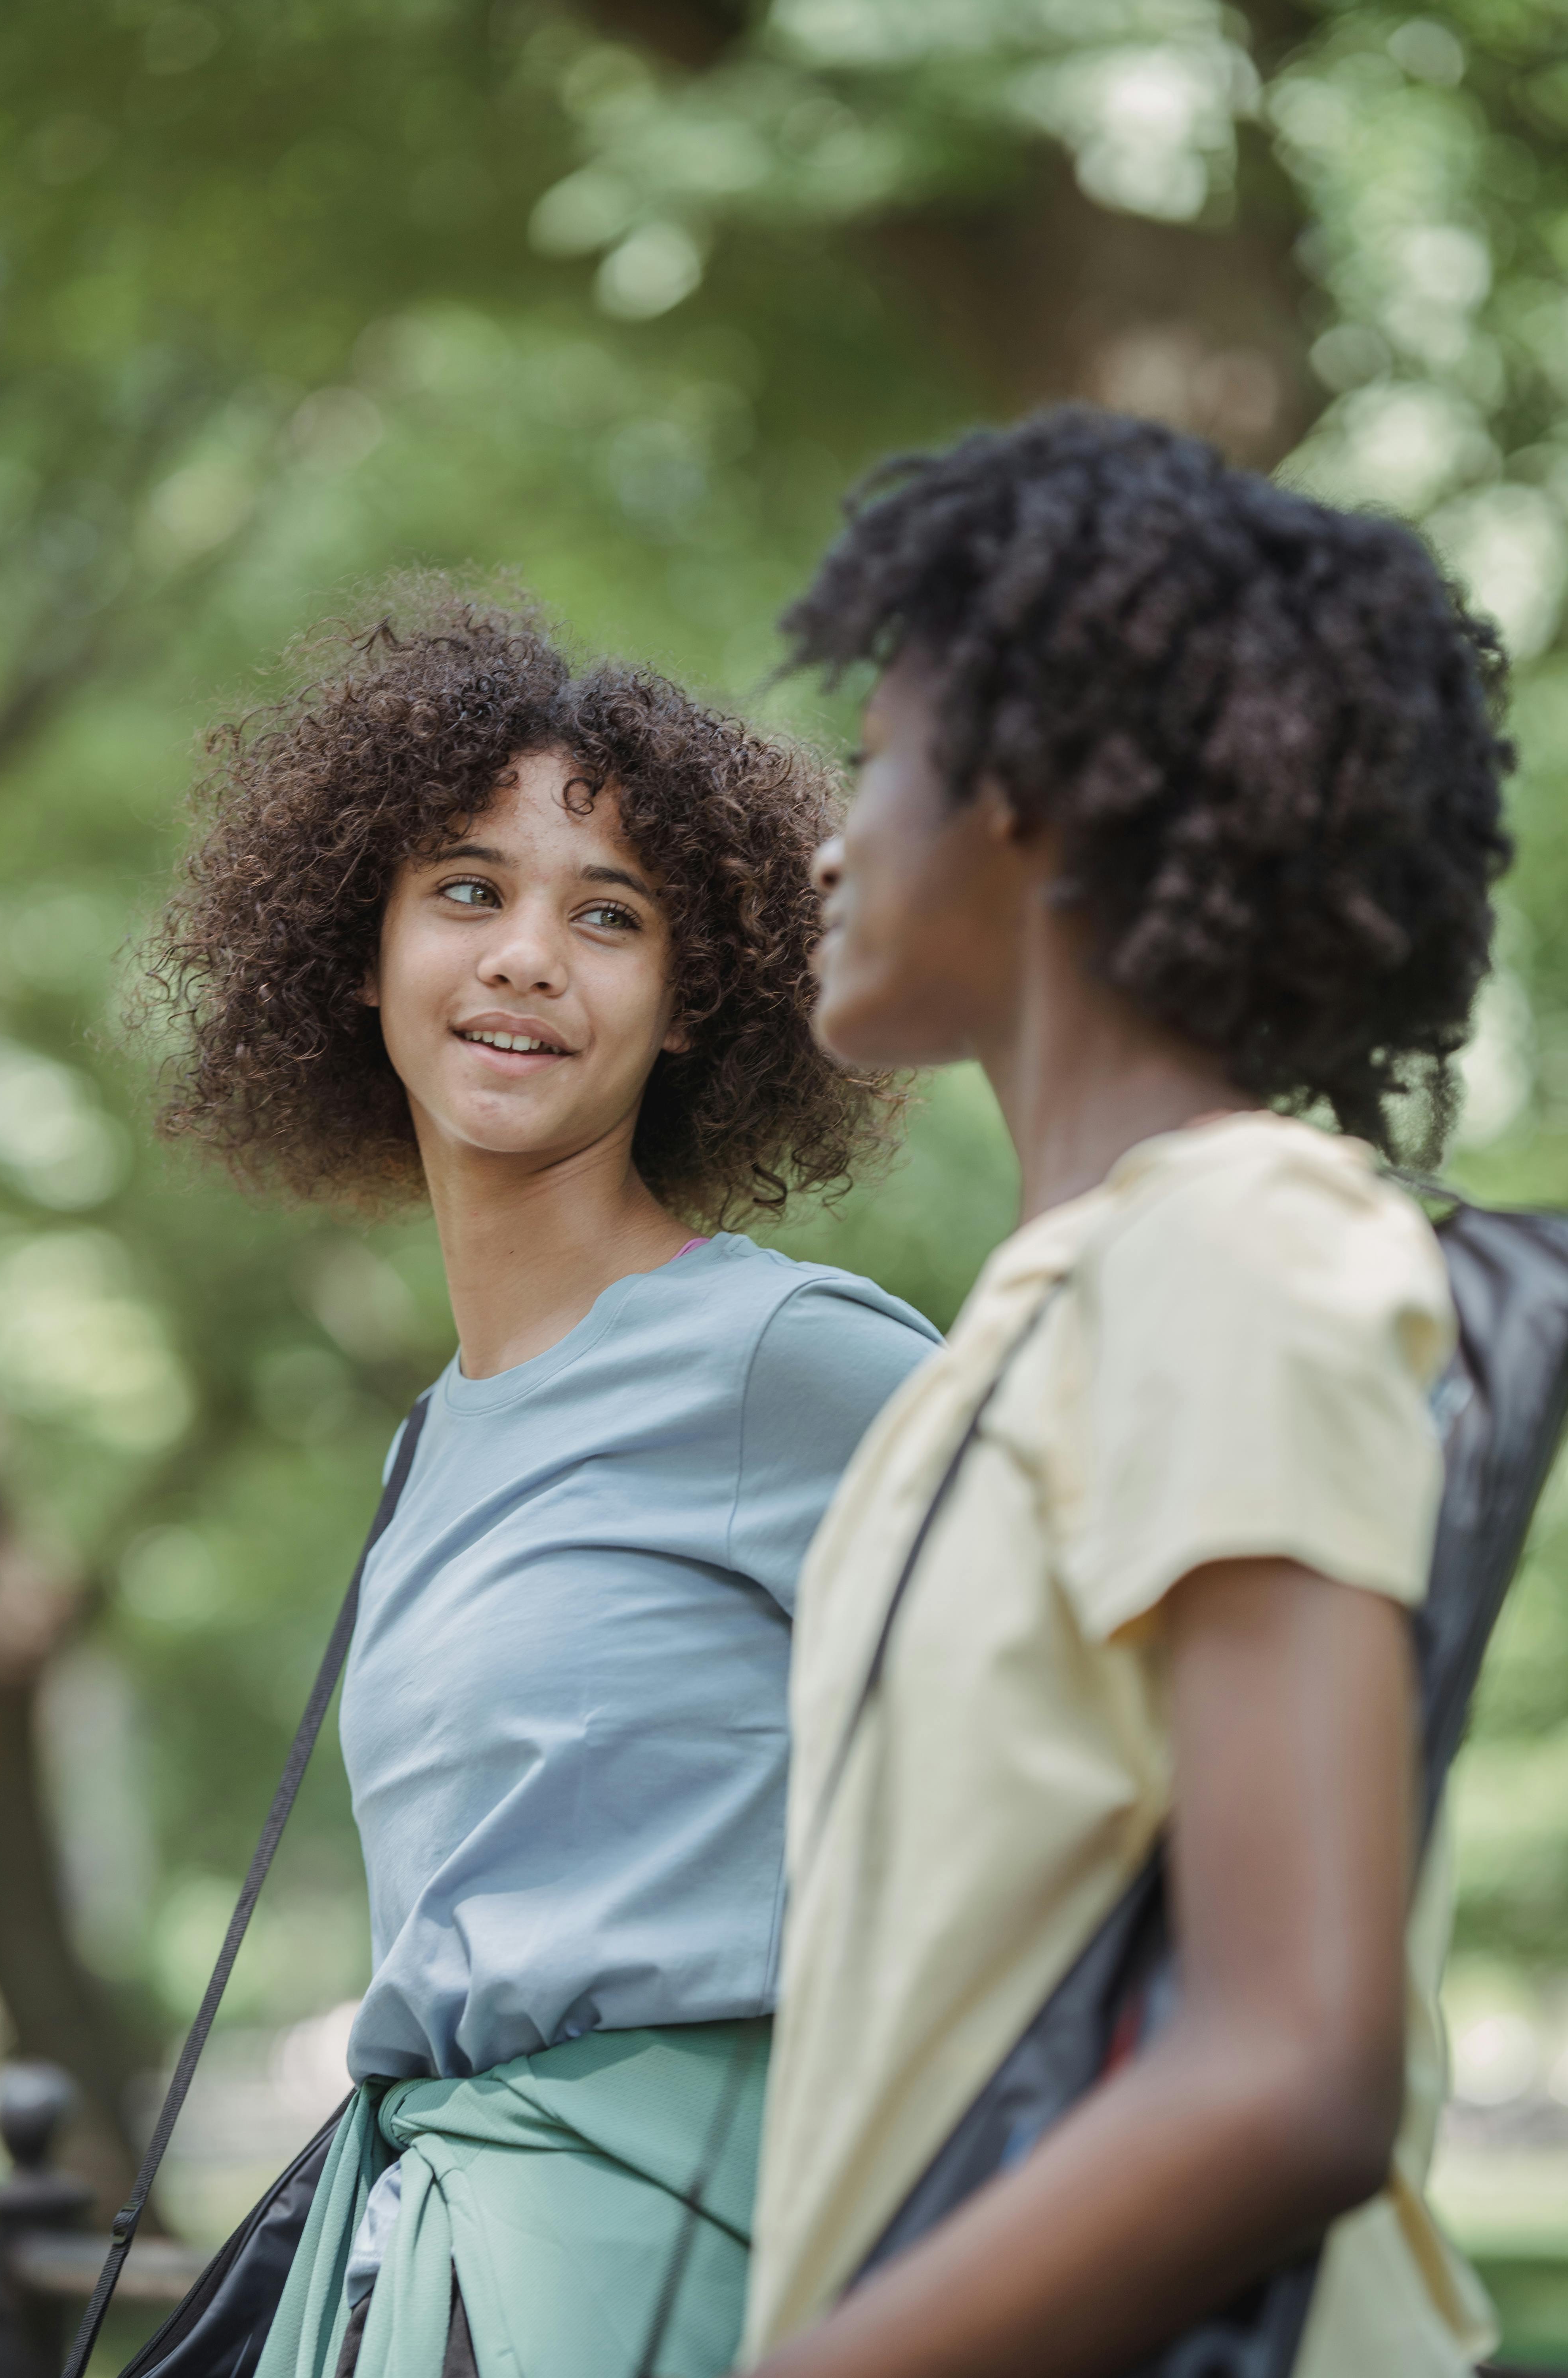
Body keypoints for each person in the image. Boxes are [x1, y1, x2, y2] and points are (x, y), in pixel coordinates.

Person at [740, 410, 1514, 2378]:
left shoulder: (1237, 1241)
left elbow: (1289, 2068)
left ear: (1032, 787)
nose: (830, 837)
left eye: (877, 760)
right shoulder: (1048, 1311)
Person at [143, 587, 939, 2378]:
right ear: (361, 954)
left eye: (609, 917)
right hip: (420, 2284)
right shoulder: (433, 1438)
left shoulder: (788, 1360)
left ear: (690, 1004)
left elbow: (1112, 1799)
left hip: (697, 2285)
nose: (525, 957)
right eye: (467, 891)